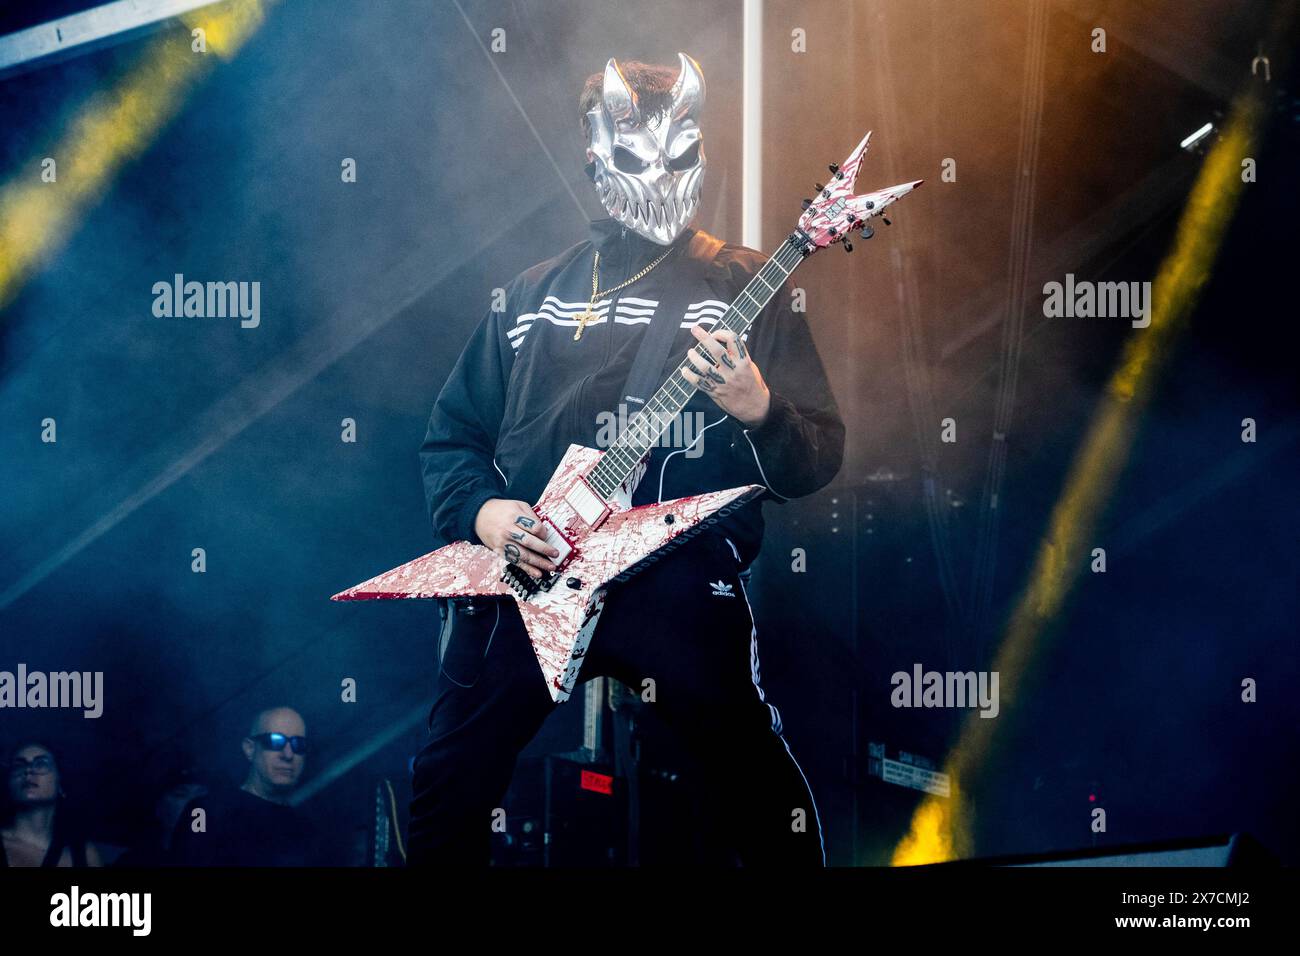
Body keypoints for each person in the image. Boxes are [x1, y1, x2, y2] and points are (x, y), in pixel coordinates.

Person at [411, 53, 845, 866]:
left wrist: (764, 410)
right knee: (445, 780)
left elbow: (818, 455)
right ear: (593, 158)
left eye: (679, 154)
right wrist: (488, 513)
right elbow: (450, 438)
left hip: (675, 572)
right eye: (637, 153)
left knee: (753, 786)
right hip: (532, 567)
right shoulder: (530, 296)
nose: (661, 175)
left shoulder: (745, 282)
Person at [170, 707, 323, 866]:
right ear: (250, 748)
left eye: (298, 744)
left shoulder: (306, 831)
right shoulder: (206, 812)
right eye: (275, 741)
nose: (288, 754)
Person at [2, 742, 103, 867]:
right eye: (19, 765)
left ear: (60, 782)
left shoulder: (84, 854)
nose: (28, 770)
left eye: (41, 764)